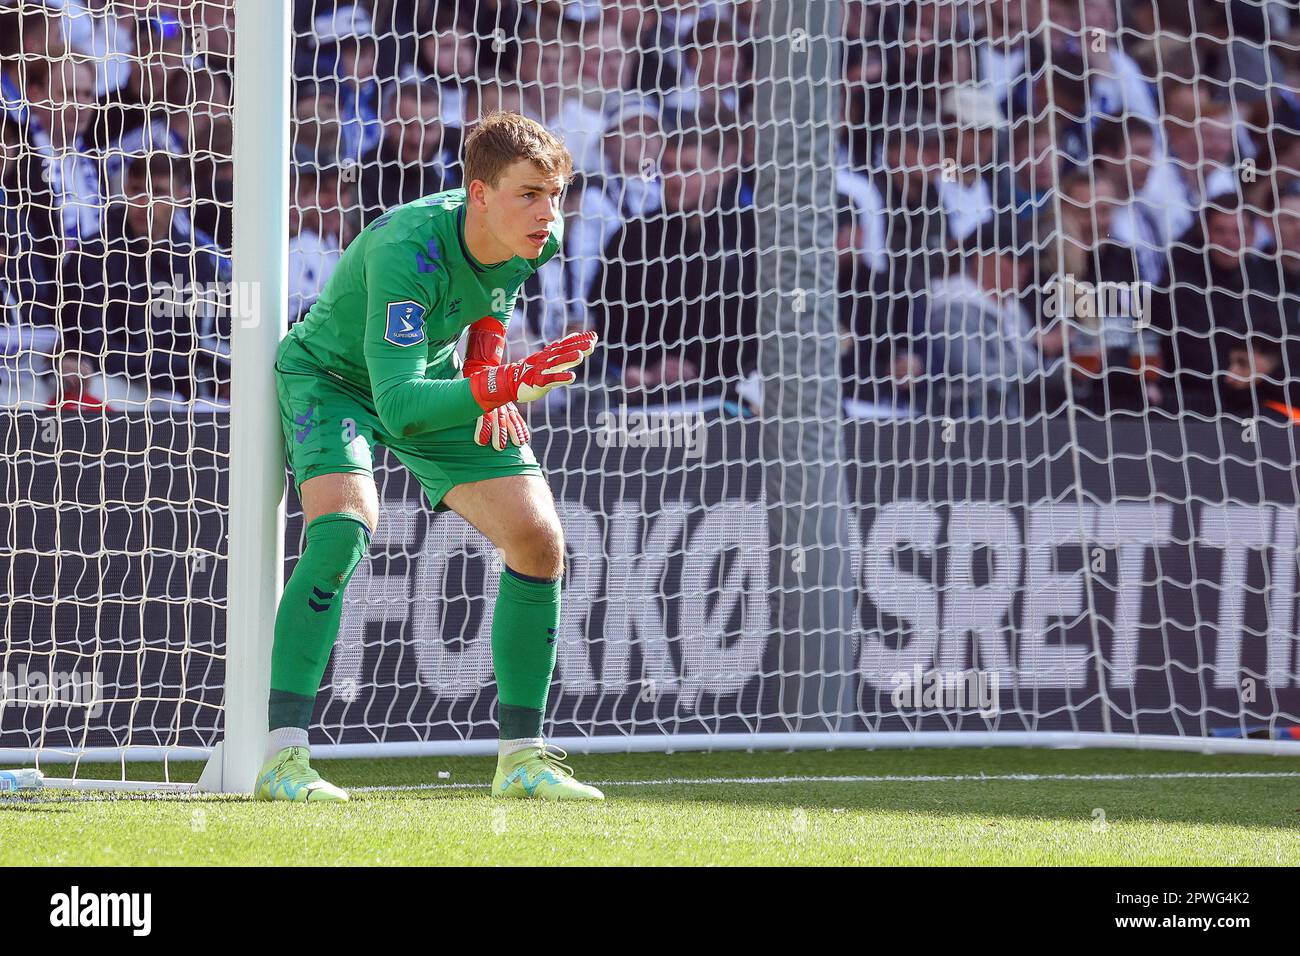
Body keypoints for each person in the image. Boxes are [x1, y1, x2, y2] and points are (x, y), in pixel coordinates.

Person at [258, 111, 603, 802]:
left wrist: (485, 359)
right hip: (335, 382)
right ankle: (281, 758)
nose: (548, 210)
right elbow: (400, 407)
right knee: (345, 528)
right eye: (529, 193)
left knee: (539, 542)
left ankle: (523, 761)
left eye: (555, 193)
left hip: (434, 378)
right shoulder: (406, 248)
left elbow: (490, 301)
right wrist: (504, 384)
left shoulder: (537, 239)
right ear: (479, 194)